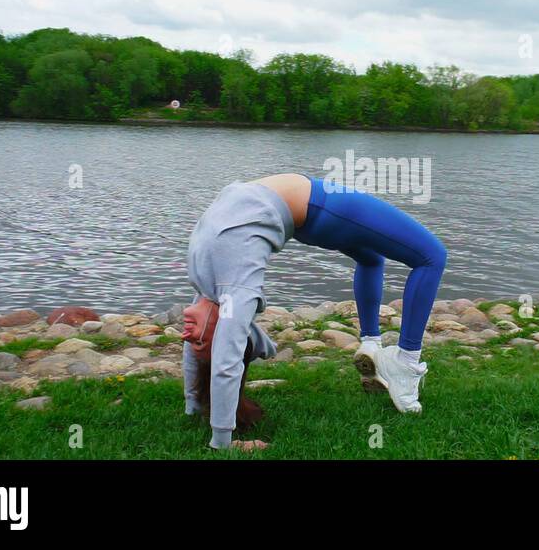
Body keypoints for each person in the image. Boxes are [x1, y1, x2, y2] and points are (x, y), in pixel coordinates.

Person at [182, 172, 447, 451]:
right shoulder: (235, 291)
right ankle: (406, 364)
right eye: (201, 340)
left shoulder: (206, 286)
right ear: (224, 327)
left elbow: (203, 353)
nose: (187, 333)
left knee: (371, 259)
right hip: (325, 207)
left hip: (306, 214)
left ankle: (371, 343)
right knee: (432, 256)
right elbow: (225, 360)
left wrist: (194, 404)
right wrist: (223, 442)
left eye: (191, 338)